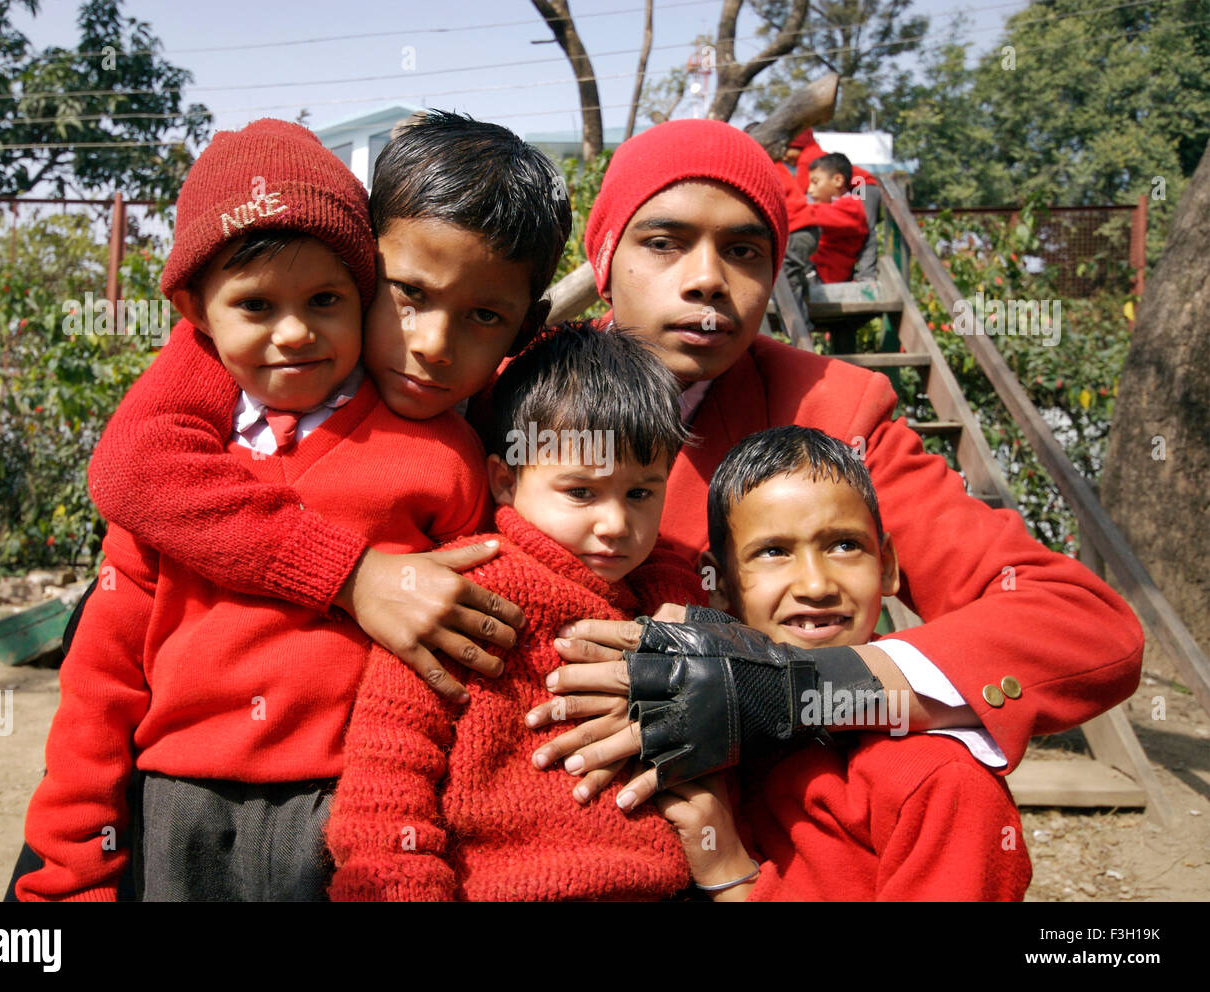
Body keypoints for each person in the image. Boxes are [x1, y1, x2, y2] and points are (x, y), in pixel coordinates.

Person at [526, 118, 1143, 823]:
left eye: (745, 250)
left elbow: (1087, 626)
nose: (706, 280)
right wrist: (369, 574)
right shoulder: (514, 394)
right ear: (604, 258)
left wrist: (795, 689)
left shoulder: (834, 416)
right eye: (664, 243)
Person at [14, 119, 495, 901]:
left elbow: (466, 648)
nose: (296, 331)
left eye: (327, 298)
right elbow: (99, 688)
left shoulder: (440, 457)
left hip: (355, 808)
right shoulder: (176, 478)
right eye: (255, 304)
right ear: (196, 315)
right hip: (179, 812)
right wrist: (69, 874)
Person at [80, 110, 574, 702]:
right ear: (364, 260)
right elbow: (131, 469)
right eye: (408, 295)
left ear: (523, 329)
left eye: (485, 316)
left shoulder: (523, 410)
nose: (433, 347)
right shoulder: (229, 356)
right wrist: (353, 577)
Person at [328, 324, 701, 901]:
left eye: (640, 493)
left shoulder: (670, 605)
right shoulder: (459, 598)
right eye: (580, 492)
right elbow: (385, 790)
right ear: (505, 480)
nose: (616, 526)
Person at [655, 425, 1032, 901]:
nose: (816, 585)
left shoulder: (940, 783)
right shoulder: (704, 719)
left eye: (844, 545)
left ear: (888, 564)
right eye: (773, 552)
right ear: (720, 582)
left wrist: (734, 879)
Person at [786, 151, 870, 286]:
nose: (810, 190)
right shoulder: (838, 206)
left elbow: (810, 213)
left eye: (815, 182)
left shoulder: (851, 207)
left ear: (838, 180)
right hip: (816, 271)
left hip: (822, 276)